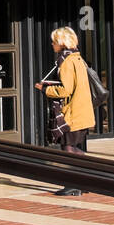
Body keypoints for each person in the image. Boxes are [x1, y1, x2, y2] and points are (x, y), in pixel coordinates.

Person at [36, 26, 94, 197]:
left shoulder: (67, 62)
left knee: (68, 148)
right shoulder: (77, 58)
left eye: (54, 42)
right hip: (81, 111)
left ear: (61, 43)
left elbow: (66, 90)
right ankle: (81, 182)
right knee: (69, 147)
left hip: (72, 114)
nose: (52, 45)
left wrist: (44, 89)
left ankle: (77, 181)